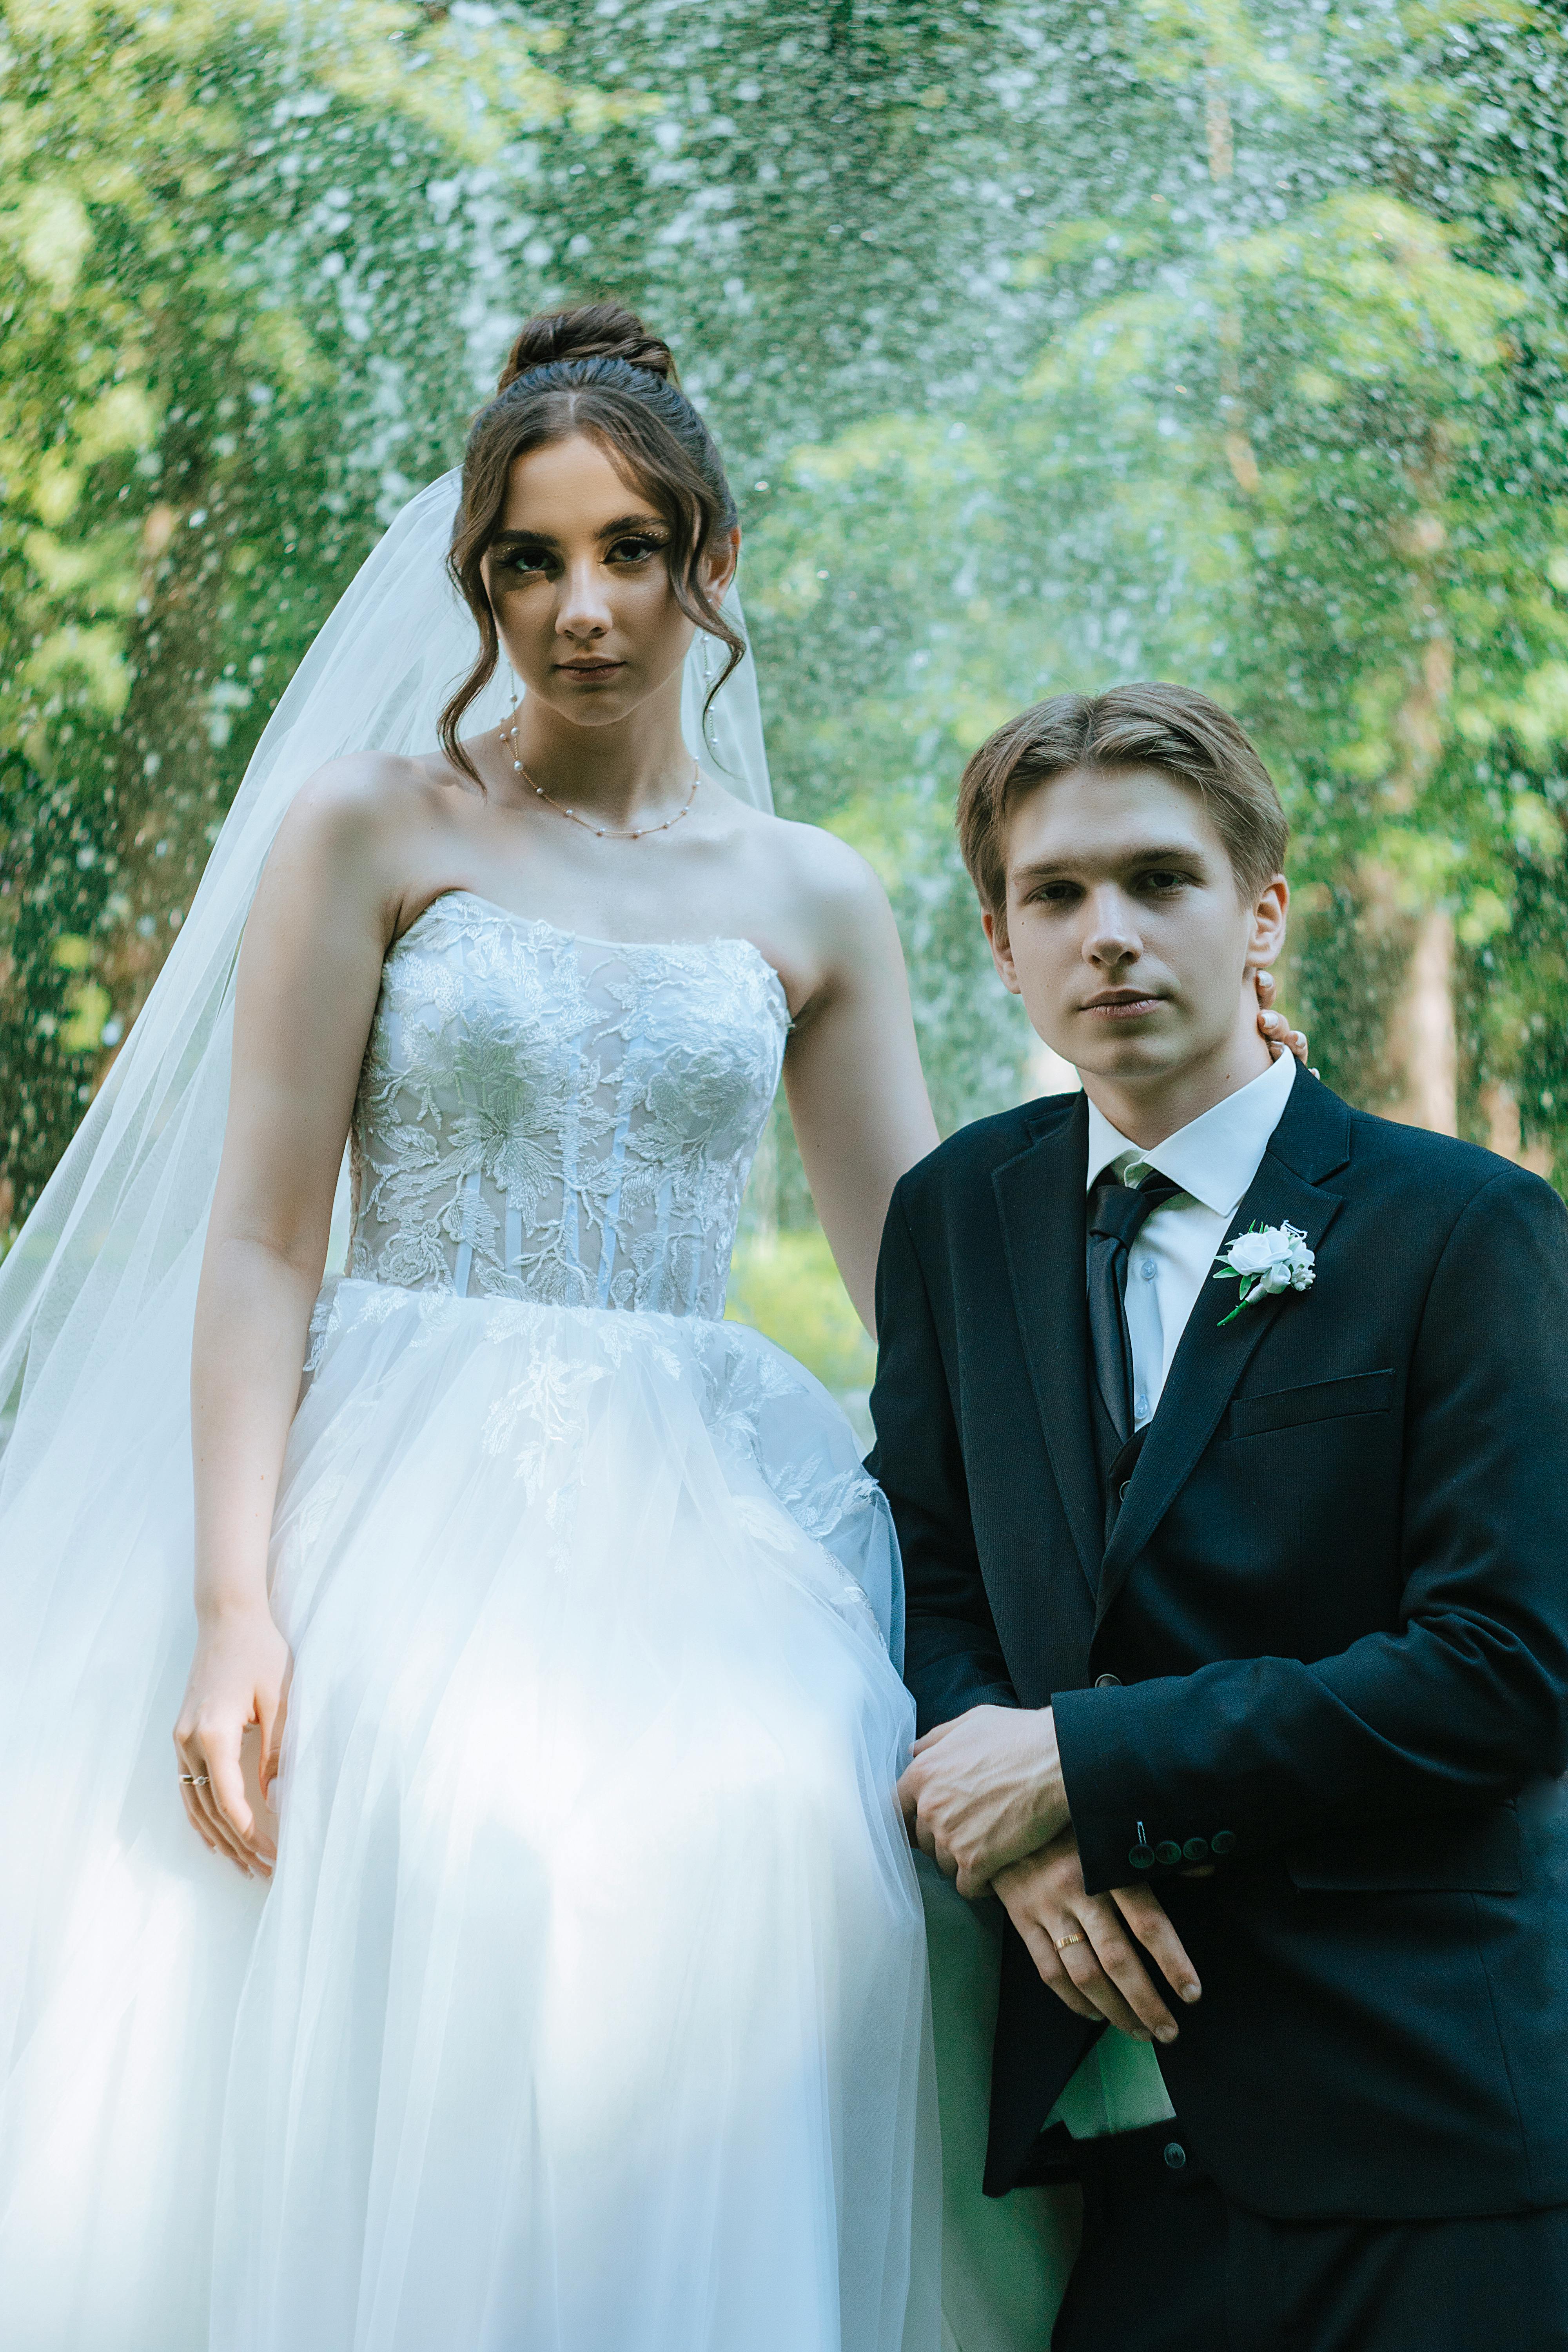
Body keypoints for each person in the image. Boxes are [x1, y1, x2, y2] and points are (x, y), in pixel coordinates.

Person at [0, 307, 1300, 2349]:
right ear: (479, 578)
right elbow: (259, 1243)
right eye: (531, 559)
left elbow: (932, 1302)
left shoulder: (809, 895)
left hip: (702, 1501)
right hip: (397, 1471)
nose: (582, 607)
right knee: (454, 1849)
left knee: (785, 1843)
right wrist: (238, 1602)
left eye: (632, 551)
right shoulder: (375, 830)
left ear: (714, 563)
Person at [874, 683, 1568, 2352]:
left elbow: (1507, 1668)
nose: (1105, 935)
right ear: (998, 940)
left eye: (1158, 882)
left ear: (1260, 913)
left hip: (1422, 2140)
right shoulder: (955, 1214)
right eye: (1054, 896)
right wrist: (1019, 1828)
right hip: (1105, 2158)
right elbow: (933, 1575)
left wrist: (1086, 1774)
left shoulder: (1465, 1231)